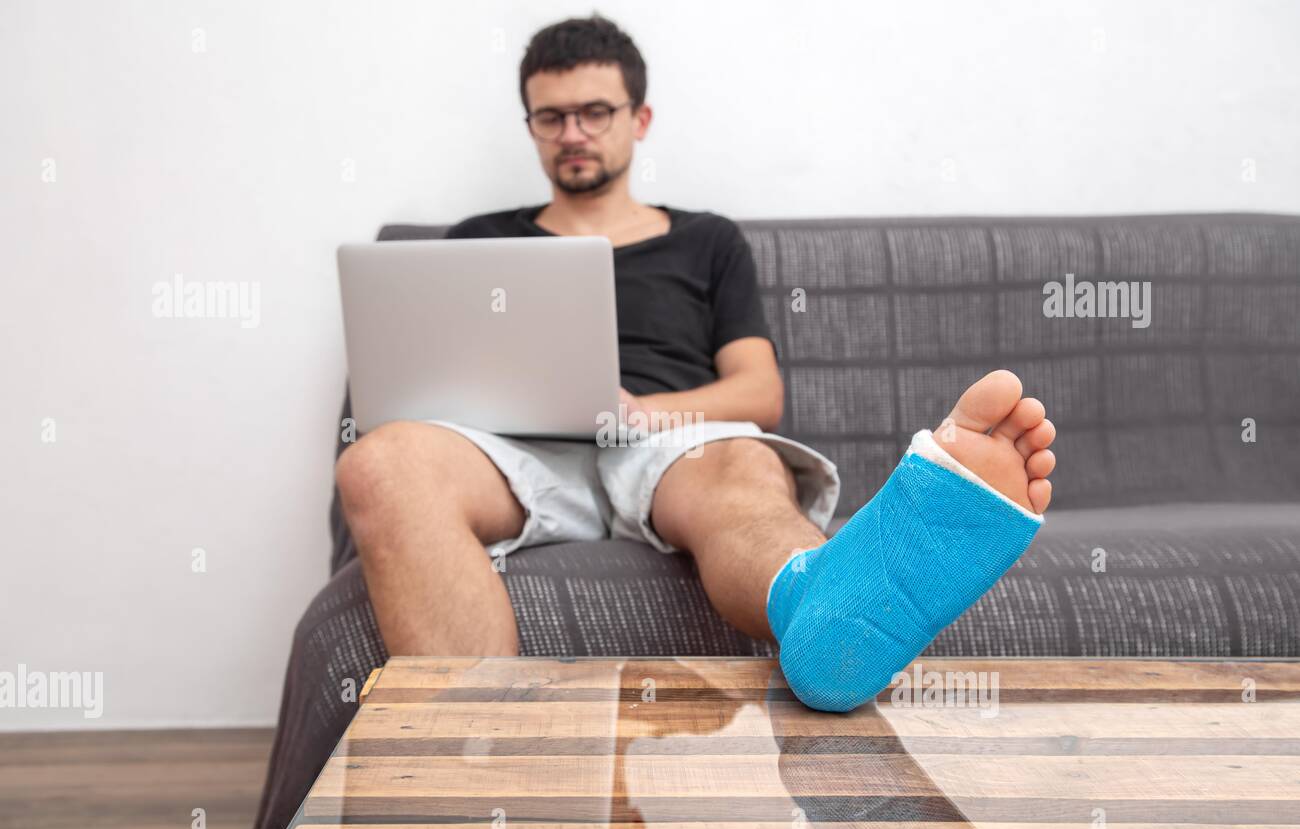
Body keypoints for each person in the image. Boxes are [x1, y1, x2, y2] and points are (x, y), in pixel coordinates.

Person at [335, 15, 1057, 713]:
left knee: (742, 462)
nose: (573, 133)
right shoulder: (475, 242)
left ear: (638, 118)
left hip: (668, 445)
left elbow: (759, 391)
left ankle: (827, 610)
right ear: (530, 127)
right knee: (378, 463)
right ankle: (479, 757)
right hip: (510, 458)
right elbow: (428, 379)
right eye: (550, 118)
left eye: (594, 111)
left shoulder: (709, 241)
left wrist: (647, 413)